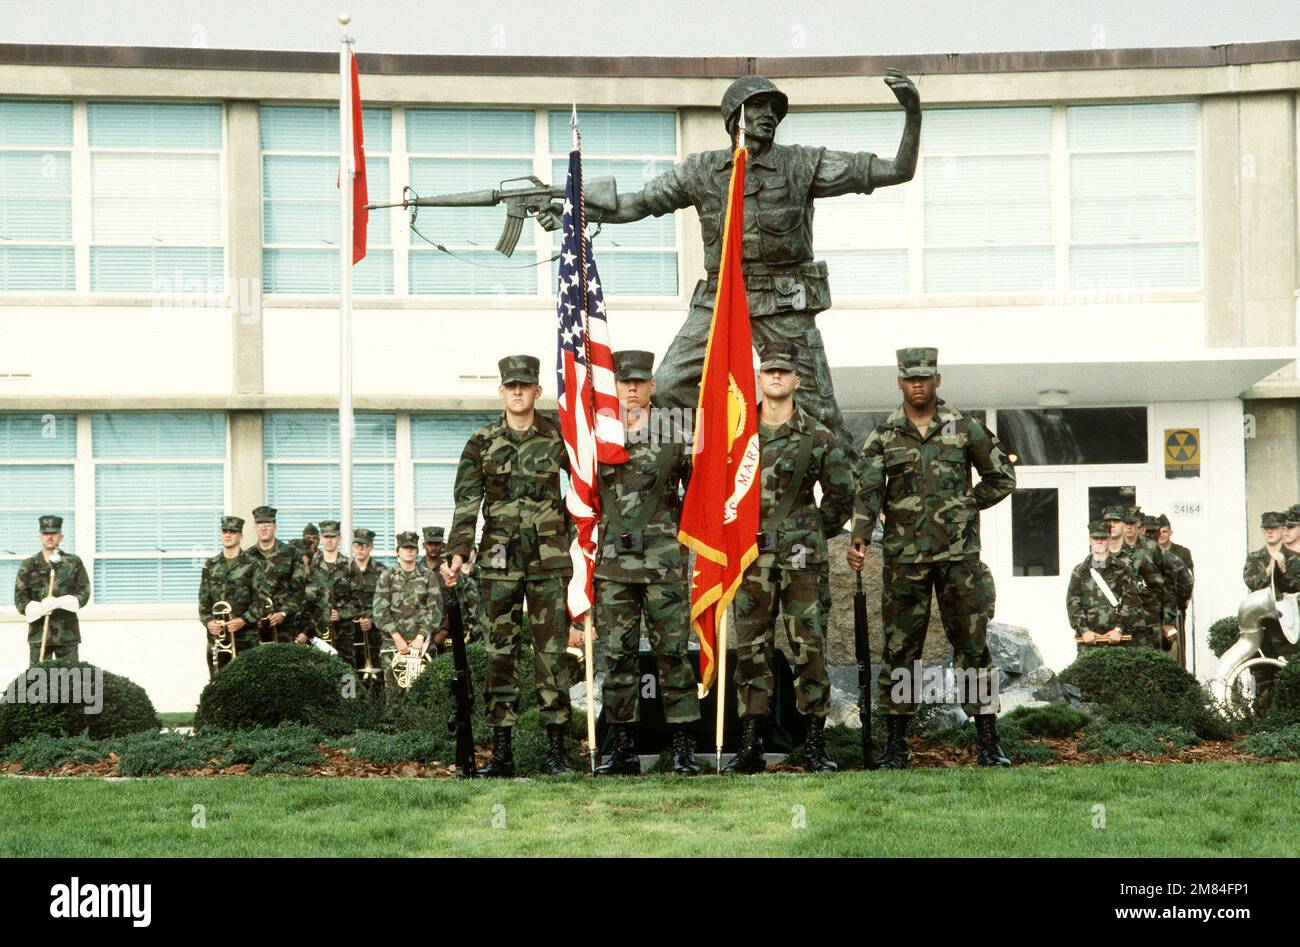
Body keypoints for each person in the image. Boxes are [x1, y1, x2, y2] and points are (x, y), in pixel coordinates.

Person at [538, 71, 921, 468]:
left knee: (819, 408)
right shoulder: (701, 170)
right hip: (720, 298)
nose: (769, 115)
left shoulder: (802, 163)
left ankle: (849, 511)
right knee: (669, 384)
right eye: (757, 106)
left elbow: (898, 170)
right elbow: (636, 203)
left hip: (784, 302)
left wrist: (913, 113)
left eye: (774, 108)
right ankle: (710, 464)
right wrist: (570, 208)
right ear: (734, 116)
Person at [847, 347, 1016, 768]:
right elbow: (867, 492)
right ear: (899, 382)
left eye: (925, 377)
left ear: (937, 379)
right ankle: (897, 745)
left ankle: (987, 741)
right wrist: (860, 538)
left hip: (959, 558)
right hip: (905, 560)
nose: (917, 384)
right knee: (902, 650)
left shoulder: (963, 426)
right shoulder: (884, 435)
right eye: (909, 378)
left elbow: (1002, 476)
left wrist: (965, 505)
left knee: (973, 645)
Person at [443, 354, 580, 777]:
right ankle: (502, 754)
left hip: (549, 560)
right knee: (499, 653)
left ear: (537, 391)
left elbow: (582, 496)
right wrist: (458, 552)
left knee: (552, 654)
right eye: (511, 386)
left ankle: (557, 752)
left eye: (525, 386)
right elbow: (467, 503)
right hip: (499, 561)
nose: (518, 392)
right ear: (501, 391)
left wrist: (574, 542)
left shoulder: (559, 437)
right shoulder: (481, 442)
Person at [724, 341, 855, 774]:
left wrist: (812, 530)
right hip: (751, 554)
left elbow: (840, 496)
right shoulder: (739, 434)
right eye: (769, 371)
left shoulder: (819, 436)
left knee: (809, 645)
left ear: (797, 380)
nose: (776, 377)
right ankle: (751, 743)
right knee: (750, 647)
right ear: (759, 379)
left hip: (802, 557)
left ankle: (814, 742)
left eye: (783, 372)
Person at [592, 349, 701, 776]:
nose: (632, 388)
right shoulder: (598, 435)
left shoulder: (677, 432)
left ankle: (683, 749)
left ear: (653, 386)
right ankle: (623, 750)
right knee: (617, 657)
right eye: (625, 382)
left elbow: (701, 492)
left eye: (640, 381)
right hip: (613, 566)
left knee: (673, 654)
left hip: (663, 563)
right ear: (615, 386)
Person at [13, 515, 91, 665]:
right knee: (39, 681)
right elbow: (20, 599)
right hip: (39, 633)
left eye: (54, 533)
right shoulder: (29, 565)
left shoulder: (73, 562)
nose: (49, 537)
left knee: (70, 680)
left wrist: (60, 602)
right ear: (40, 537)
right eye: (45, 534)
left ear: (61, 537)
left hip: (67, 634)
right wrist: (38, 607)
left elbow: (84, 593)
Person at [373, 531, 443, 691]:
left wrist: (420, 637)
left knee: (423, 696)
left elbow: (435, 609)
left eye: (412, 548)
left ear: (418, 551)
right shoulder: (387, 576)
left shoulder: (428, 575)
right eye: (405, 548)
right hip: (393, 647)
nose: (409, 551)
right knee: (394, 699)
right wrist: (397, 638)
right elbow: (379, 611)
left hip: (422, 647)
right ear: (398, 551)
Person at [1067, 521, 1141, 653]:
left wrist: (1119, 628)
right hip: (1088, 641)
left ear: (1109, 540)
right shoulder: (1080, 571)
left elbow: (1131, 601)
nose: (1099, 542)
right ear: (1090, 540)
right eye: (1096, 538)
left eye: (1103, 538)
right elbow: (1073, 602)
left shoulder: (1122, 569)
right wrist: (1084, 630)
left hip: (1119, 640)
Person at [198, 515, 258, 676]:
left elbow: (260, 602)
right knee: (218, 687)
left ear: (241, 536)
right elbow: (203, 603)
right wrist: (208, 622)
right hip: (217, 640)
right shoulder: (210, 565)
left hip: (246, 640)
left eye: (233, 531)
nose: (228, 535)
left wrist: (243, 620)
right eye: (225, 531)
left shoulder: (253, 564)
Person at [1101, 505, 1161, 649]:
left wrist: (1146, 618)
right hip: (1105, 634)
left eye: (1116, 521)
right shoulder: (1095, 558)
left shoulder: (1139, 556)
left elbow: (1158, 588)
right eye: (1108, 522)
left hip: (1136, 635)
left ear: (1124, 525)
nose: (1111, 525)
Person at [245, 505, 307, 644]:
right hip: (255, 627)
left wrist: (283, 613)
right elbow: (243, 591)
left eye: (268, 523)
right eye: (259, 524)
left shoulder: (291, 553)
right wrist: (252, 615)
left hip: (285, 626)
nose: (263, 528)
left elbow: (299, 589)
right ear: (254, 528)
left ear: (275, 526)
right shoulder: (247, 556)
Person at [1122, 507, 1179, 651]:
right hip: (1121, 624)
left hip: (1149, 620)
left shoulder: (1152, 548)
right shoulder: (1111, 547)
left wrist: (1168, 620)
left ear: (1138, 525)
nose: (1129, 527)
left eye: (1132, 523)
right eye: (1125, 523)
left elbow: (1168, 583)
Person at [304, 519, 354, 665]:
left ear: (339, 538)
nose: (329, 541)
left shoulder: (350, 566)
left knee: (346, 674)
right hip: (316, 634)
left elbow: (359, 602)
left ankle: (348, 690)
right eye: (326, 537)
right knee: (317, 675)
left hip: (343, 634)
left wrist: (341, 614)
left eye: (333, 537)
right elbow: (304, 600)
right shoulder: (311, 566)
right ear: (321, 538)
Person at [346, 527, 384, 686]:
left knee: (377, 675)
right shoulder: (344, 570)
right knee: (349, 673)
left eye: (365, 545)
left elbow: (385, 601)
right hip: (349, 631)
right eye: (357, 545)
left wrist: (372, 620)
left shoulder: (382, 571)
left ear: (371, 547)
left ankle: (378, 709)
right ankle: (350, 707)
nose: (360, 549)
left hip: (373, 633)